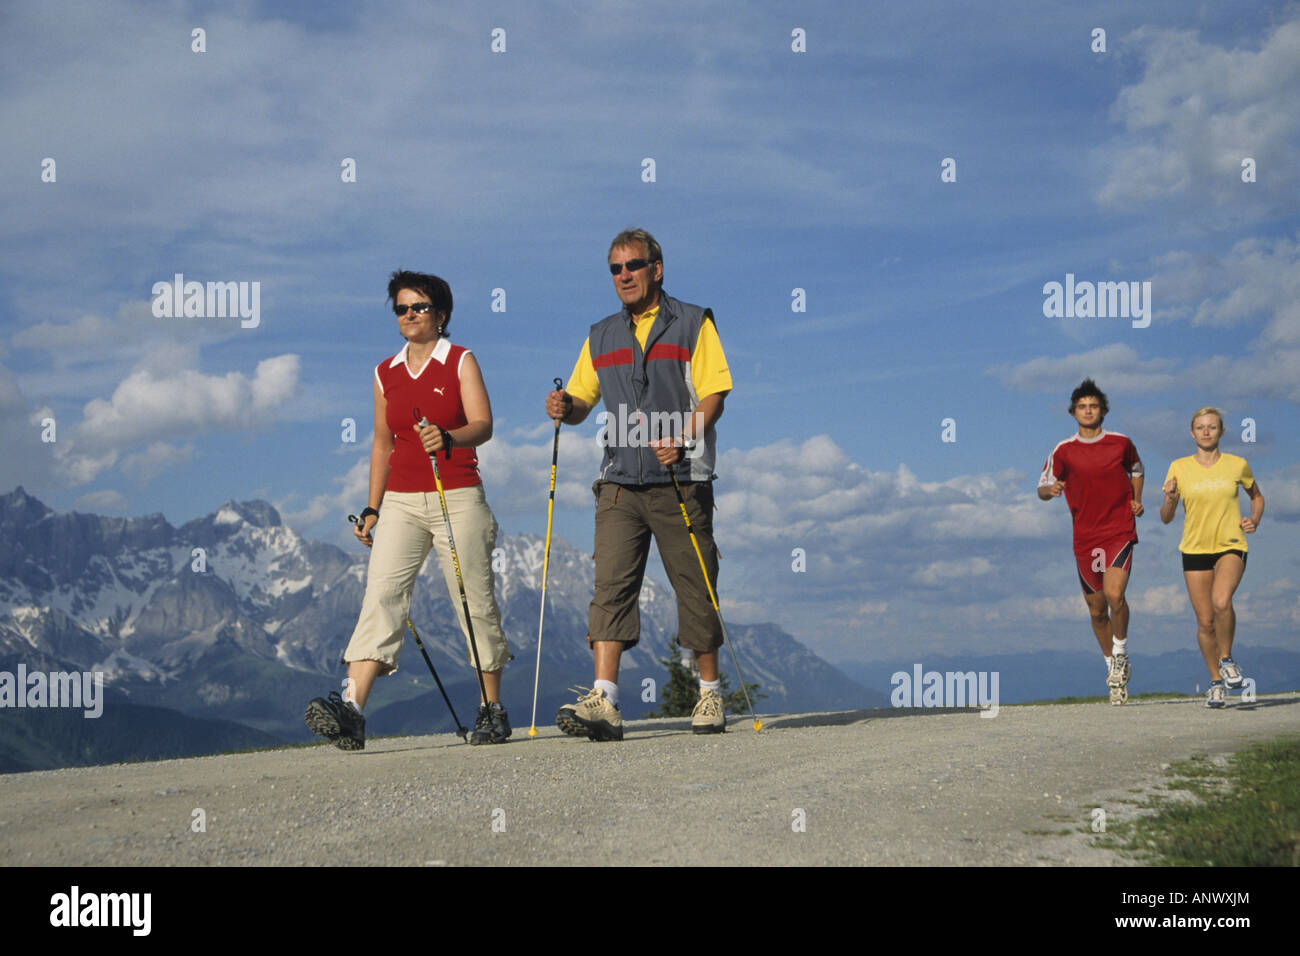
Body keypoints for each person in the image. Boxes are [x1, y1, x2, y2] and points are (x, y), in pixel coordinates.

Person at [305, 270, 512, 749]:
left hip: (457, 493)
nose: (410, 316)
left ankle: (491, 709)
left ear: (441, 316)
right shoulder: (385, 372)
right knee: (381, 595)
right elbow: (382, 444)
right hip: (399, 497)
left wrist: (449, 437)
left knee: (473, 600)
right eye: (402, 308)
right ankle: (351, 709)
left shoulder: (460, 360)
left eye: (420, 307)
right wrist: (372, 507)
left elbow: (483, 424)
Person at [544, 228, 732, 740]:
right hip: (619, 483)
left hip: (680, 480)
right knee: (610, 589)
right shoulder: (600, 334)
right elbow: (583, 401)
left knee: (695, 588)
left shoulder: (694, 322)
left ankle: (710, 696)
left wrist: (686, 437)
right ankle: (604, 699)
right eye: (615, 268)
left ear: (657, 268)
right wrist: (567, 408)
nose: (623, 275)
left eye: (633, 265)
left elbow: (714, 393)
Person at [1038, 379, 1144, 704]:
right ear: (1073, 412)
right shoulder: (1063, 450)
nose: (1088, 411)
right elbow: (1041, 487)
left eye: (1094, 406)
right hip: (1086, 538)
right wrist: (1051, 491)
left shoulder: (1120, 443)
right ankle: (1112, 669)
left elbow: (1137, 470)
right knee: (1097, 611)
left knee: (1115, 595)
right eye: (1082, 407)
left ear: (1103, 411)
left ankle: (1121, 652)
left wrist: (1135, 501)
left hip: (1118, 531)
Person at [1159, 407, 1264, 709]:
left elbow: (1257, 496)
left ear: (1221, 431)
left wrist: (1254, 518)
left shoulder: (1237, 464)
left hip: (1230, 544)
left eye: (1212, 427)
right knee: (1205, 622)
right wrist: (1169, 497)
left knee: (1221, 602)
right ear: (1192, 433)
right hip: (1194, 549)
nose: (1206, 432)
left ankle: (1228, 659)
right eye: (1200, 428)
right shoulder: (1178, 467)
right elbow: (1166, 518)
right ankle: (1216, 682)